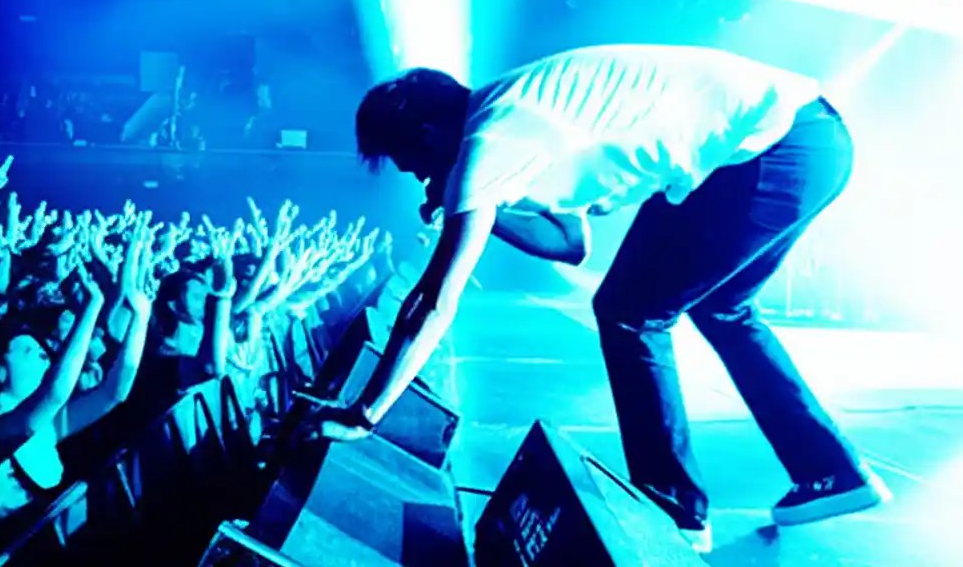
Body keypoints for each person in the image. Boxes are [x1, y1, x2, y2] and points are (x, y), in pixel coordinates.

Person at [305, 45, 891, 553]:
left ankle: (674, 511)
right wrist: (484, 208)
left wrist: (365, 413)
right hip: (808, 140)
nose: (418, 179)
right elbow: (568, 243)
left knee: (631, 313)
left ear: (427, 132)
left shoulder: (491, 138)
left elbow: (435, 301)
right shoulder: (515, 117)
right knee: (722, 309)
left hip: (773, 151)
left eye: (411, 165)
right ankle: (831, 472)